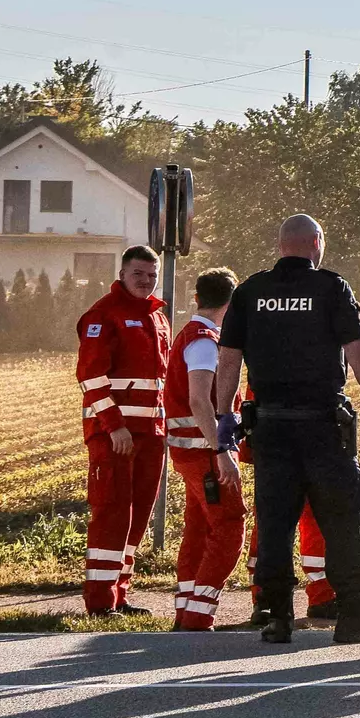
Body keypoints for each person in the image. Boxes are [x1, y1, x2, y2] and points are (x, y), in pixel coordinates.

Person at [214, 213, 360, 645]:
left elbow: (228, 359)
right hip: (322, 427)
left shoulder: (250, 291)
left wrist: (225, 415)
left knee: (275, 523)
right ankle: (353, 615)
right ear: (316, 242)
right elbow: (358, 350)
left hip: (271, 428)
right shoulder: (331, 288)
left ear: (282, 246)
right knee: (341, 520)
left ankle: (277, 618)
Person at [75, 246, 169, 616]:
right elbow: (91, 377)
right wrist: (114, 427)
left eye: (151, 275)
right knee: (113, 513)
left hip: (151, 434)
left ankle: (120, 594)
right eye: (138, 274)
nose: (146, 281)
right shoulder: (103, 314)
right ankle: (99, 602)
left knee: (137, 516)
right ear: (122, 273)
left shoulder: (157, 317)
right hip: (115, 436)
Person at [162, 268, 245, 631]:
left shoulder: (190, 334)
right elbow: (200, 400)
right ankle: (200, 612)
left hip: (191, 453)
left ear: (197, 298)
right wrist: (222, 450)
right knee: (229, 525)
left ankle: (186, 609)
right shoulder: (205, 341)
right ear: (233, 303)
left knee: (198, 527)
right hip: (205, 454)